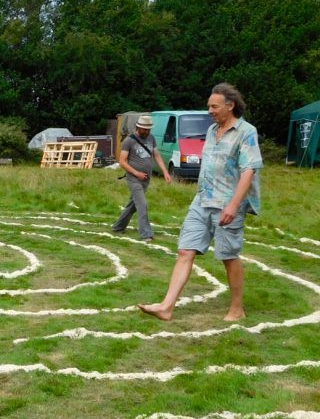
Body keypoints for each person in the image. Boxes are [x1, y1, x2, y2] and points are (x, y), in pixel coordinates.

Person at [139, 83, 262, 321]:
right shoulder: (210, 131)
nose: (210, 110)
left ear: (230, 105)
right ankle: (166, 306)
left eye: (214, 106)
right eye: (209, 106)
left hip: (228, 203)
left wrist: (234, 205)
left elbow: (249, 171)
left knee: (228, 256)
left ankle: (237, 308)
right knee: (185, 250)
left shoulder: (246, 132)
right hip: (202, 200)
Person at [111, 113, 171, 241]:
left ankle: (118, 227)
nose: (147, 131)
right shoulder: (129, 140)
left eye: (148, 129)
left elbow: (157, 155)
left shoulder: (151, 138)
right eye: (144, 129)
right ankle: (146, 234)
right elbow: (122, 161)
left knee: (133, 205)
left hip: (146, 179)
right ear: (138, 127)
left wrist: (165, 172)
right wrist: (136, 173)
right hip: (134, 178)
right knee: (142, 204)